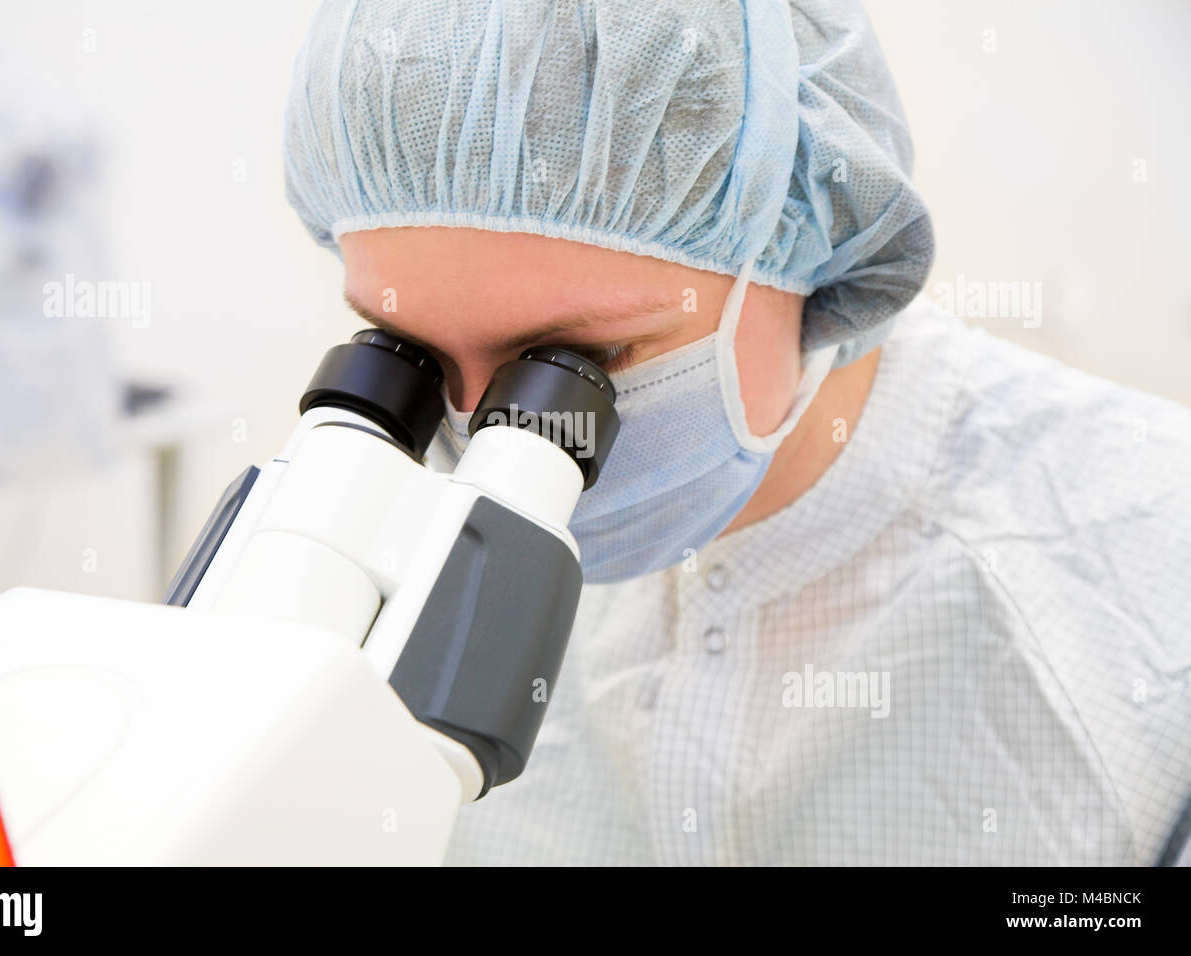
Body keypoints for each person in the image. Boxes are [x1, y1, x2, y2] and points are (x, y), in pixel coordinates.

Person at [282, 0, 1191, 864]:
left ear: (806, 239)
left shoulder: (1153, 583)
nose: (480, 431)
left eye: (580, 358)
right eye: (410, 355)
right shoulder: (352, 561)